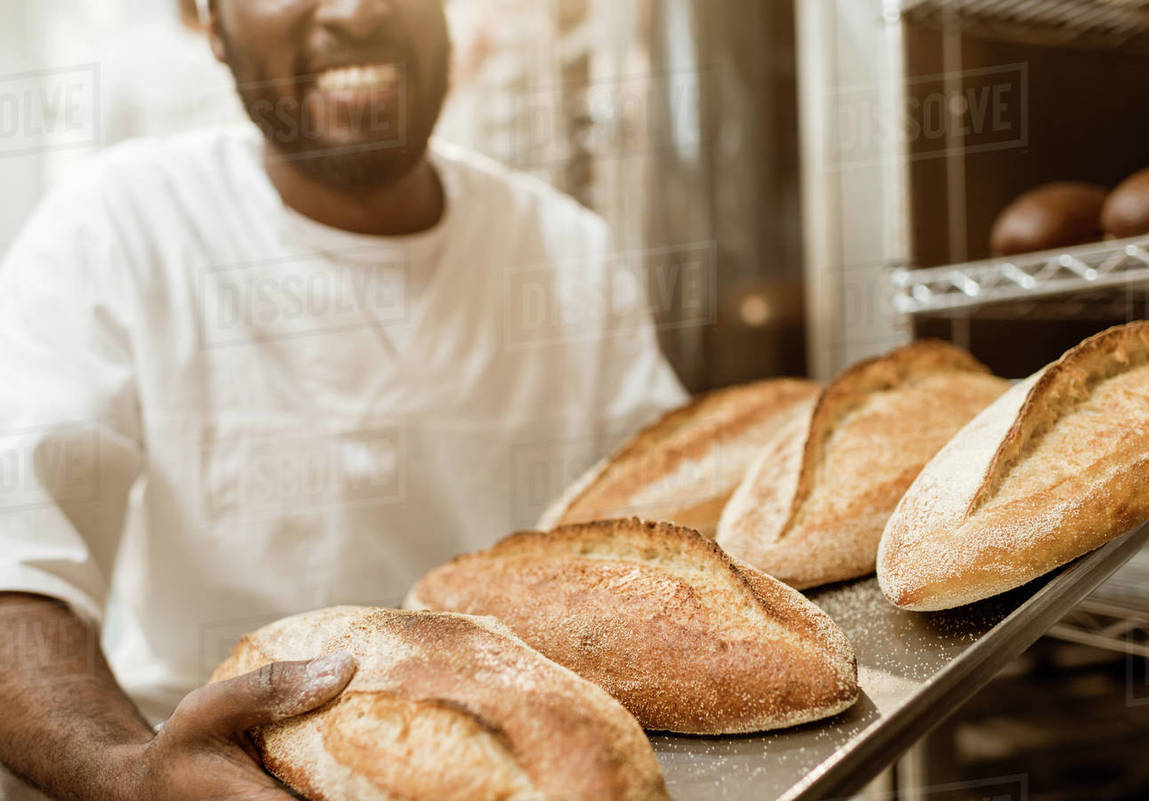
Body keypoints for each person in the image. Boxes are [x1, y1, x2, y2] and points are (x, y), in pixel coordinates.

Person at [0, 1, 686, 799]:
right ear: (211, 24)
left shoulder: (562, 252)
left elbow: (666, 537)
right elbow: (17, 575)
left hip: (533, 764)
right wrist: (126, 775)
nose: (357, 12)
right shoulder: (121, 230)